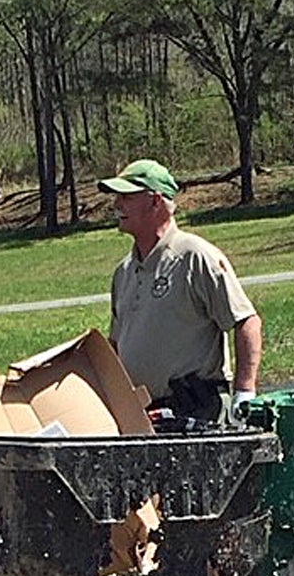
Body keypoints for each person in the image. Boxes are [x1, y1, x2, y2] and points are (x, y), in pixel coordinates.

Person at [98, 159, 262, 423]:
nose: (117, 205)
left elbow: (246, 322)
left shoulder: (195, 257)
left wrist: (245, 391)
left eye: (127, 197)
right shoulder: (124, 272)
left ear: (155, 202)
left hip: (197, 412)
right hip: (145, 415)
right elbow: (116, 345)